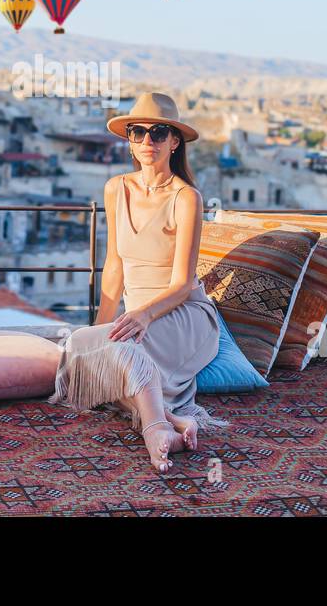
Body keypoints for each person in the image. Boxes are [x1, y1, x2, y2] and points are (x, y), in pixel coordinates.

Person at [49, 92, 223, 472]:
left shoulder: (186, 197)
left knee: (124, 352)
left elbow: (181, 284)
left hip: (182, 312)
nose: (147, 142)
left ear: (174, 141)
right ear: (128, 138)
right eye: (137, 132)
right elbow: (114, 265)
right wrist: (99, 328)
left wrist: (143, 316)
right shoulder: (116, 188)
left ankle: (155, 429)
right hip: (137, 316)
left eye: (158, 133)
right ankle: (174, 420)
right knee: (80, 347)